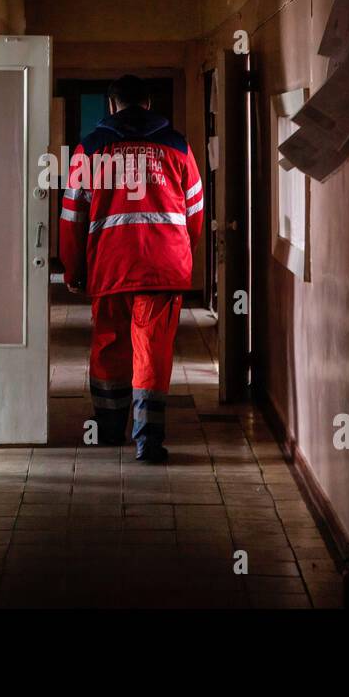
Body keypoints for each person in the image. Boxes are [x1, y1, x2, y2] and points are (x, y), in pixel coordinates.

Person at [58, 75, 203, 463]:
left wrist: (73, 269)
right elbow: (195, 213)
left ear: (111, 105)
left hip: (110, 266)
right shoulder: (178, 146)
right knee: (152, 350)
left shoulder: (89, 149)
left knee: (109, 345)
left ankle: (108, 430)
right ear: (150, 103)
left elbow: (72, 216)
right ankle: (149, 441)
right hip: (162, 269)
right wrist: (182, 253)